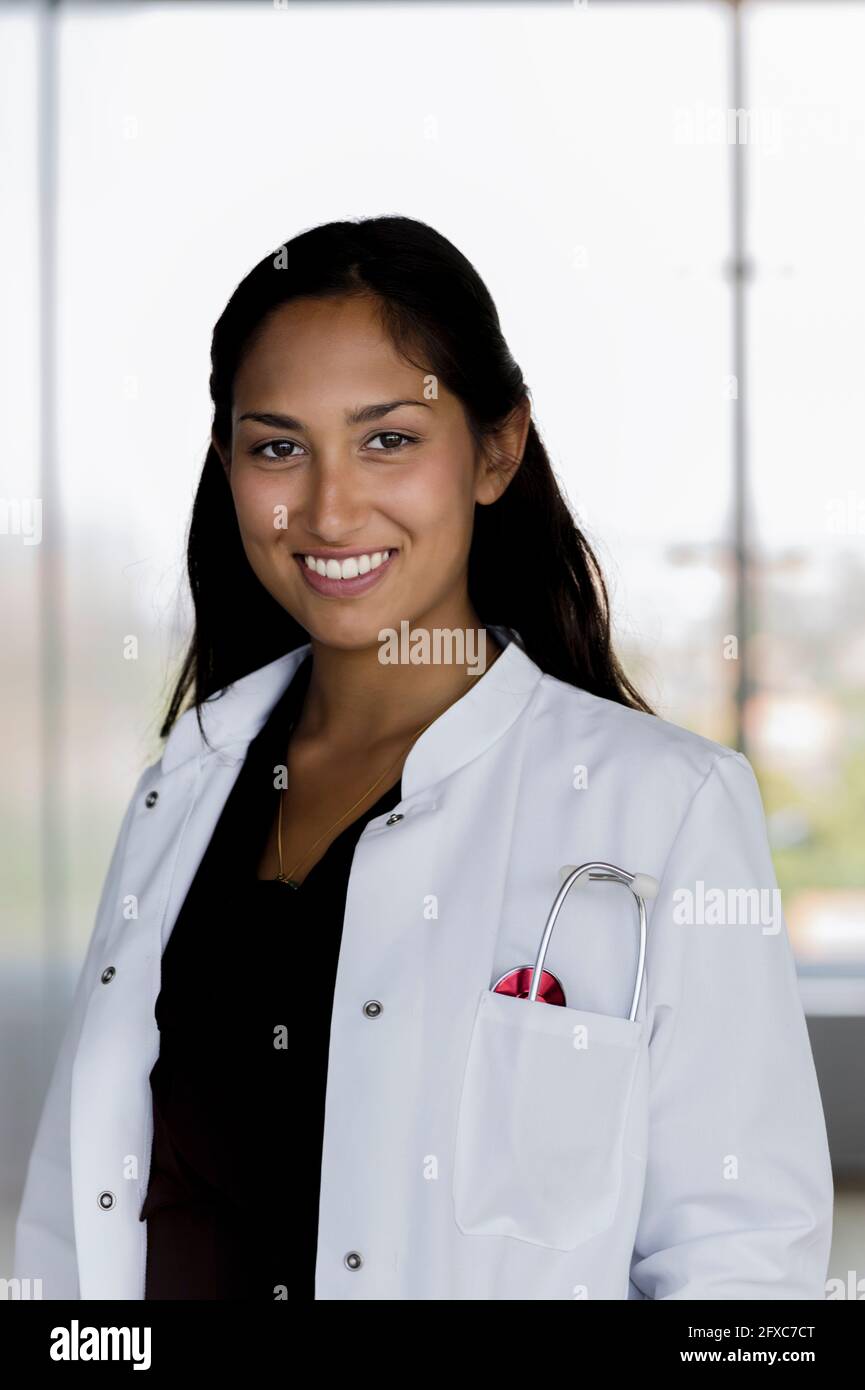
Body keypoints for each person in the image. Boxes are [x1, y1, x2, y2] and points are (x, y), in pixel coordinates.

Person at [14, 216, 833, 1300]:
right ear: (229, 466)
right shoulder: (185, 783)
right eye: (277, 446)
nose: (329, 506)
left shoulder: (663, 807)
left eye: (388, 439)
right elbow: (76, 1220)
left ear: (496, 450)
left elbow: (743, 1268)